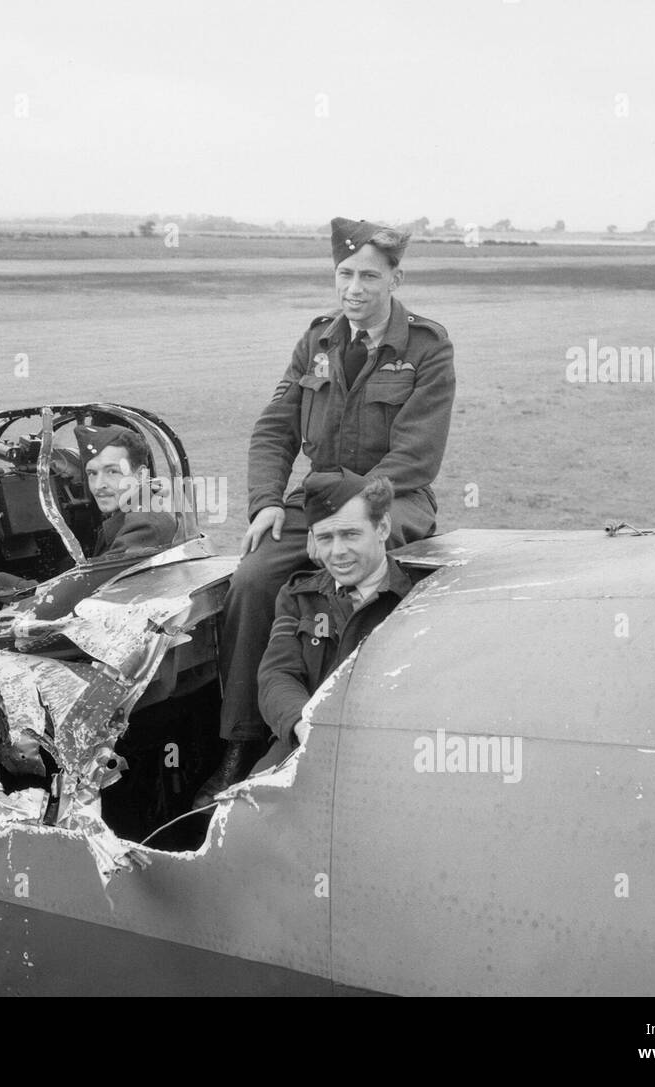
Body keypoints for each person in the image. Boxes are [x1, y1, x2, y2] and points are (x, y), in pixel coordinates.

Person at [195, 216, 455, 805]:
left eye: (369, 275)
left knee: (363, 567)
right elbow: (273, 431)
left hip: (396, 496)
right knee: (255, 577)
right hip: (314, 501)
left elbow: (416, 455)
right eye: (344, 274)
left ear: (395, 277)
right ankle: (239, 742)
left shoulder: (427, 348)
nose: (354, 288)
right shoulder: (316, 342)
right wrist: (265, 504)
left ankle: (355, 731)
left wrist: (343, 517)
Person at [257, 471, 415, 749]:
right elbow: (277, 675)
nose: (338, 551)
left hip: (392, 745)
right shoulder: (298, 597)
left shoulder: (417, 597)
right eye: (325, 538)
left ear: (382, 528)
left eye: (350, 534)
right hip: (304, 742)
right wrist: (304, 726)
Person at [0, 425, 177, 593]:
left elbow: (83, 600)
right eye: (92, 473)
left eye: (113, 471)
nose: (99, 486)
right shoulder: (136, 509)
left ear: (141, 475)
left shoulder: (145, 525)